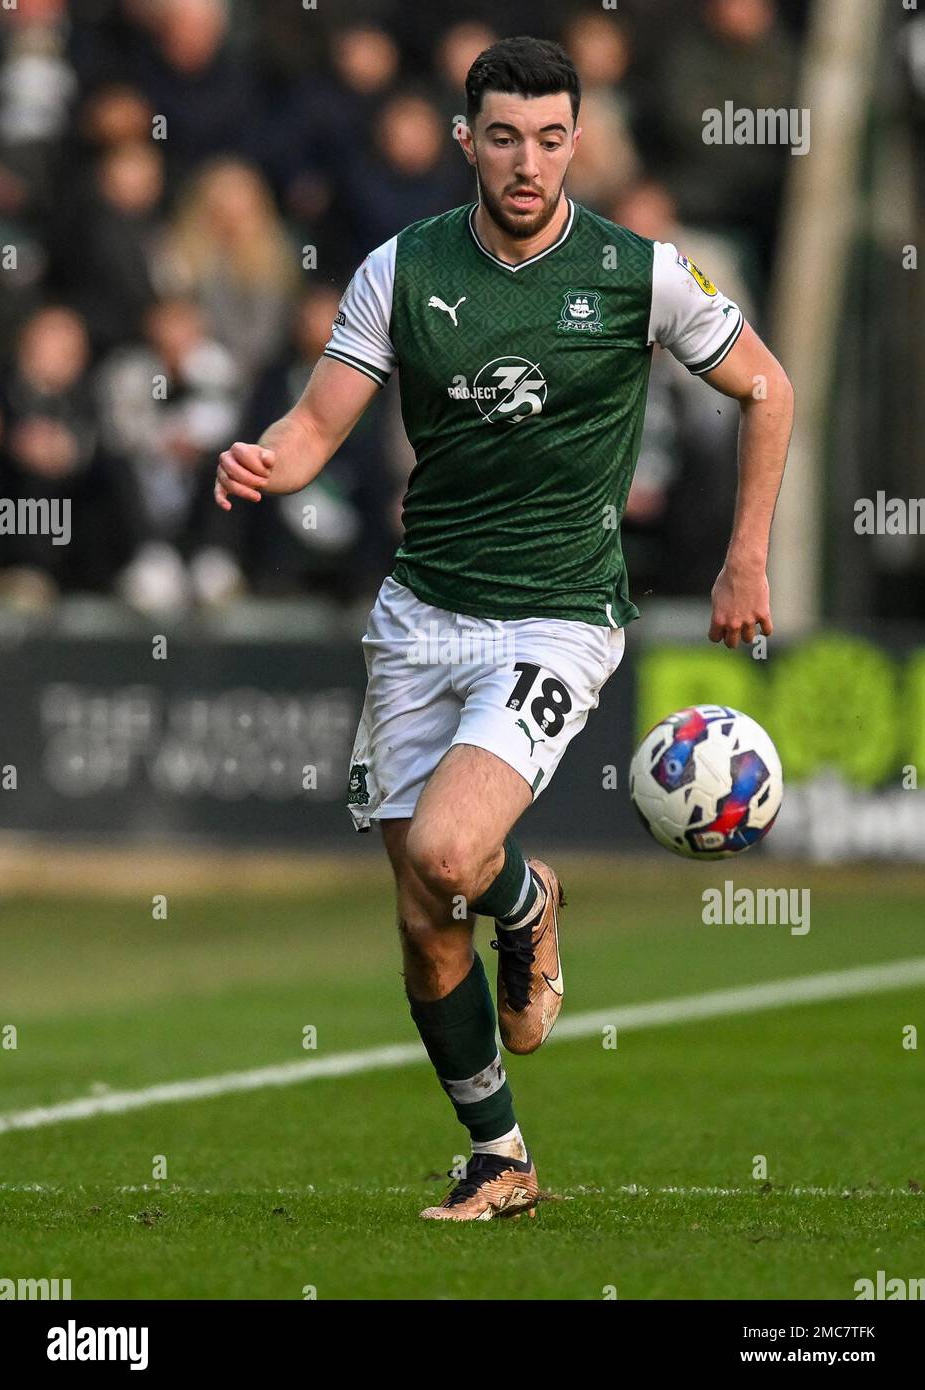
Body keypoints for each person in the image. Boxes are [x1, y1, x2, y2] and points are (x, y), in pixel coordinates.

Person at [213, 36, 794, 1222]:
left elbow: (766, 390)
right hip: (419, 615)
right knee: (427, 924)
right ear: (464, 139)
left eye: (548, 136)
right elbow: (320, 423)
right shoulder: (401, 267)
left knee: (449, 856)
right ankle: (501, 1156)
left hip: (557, 617)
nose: (526, 161)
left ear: (576, 140)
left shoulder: (644, 273)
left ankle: (524, 900)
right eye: (503, 136)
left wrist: (744, 556)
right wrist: (272, 459)